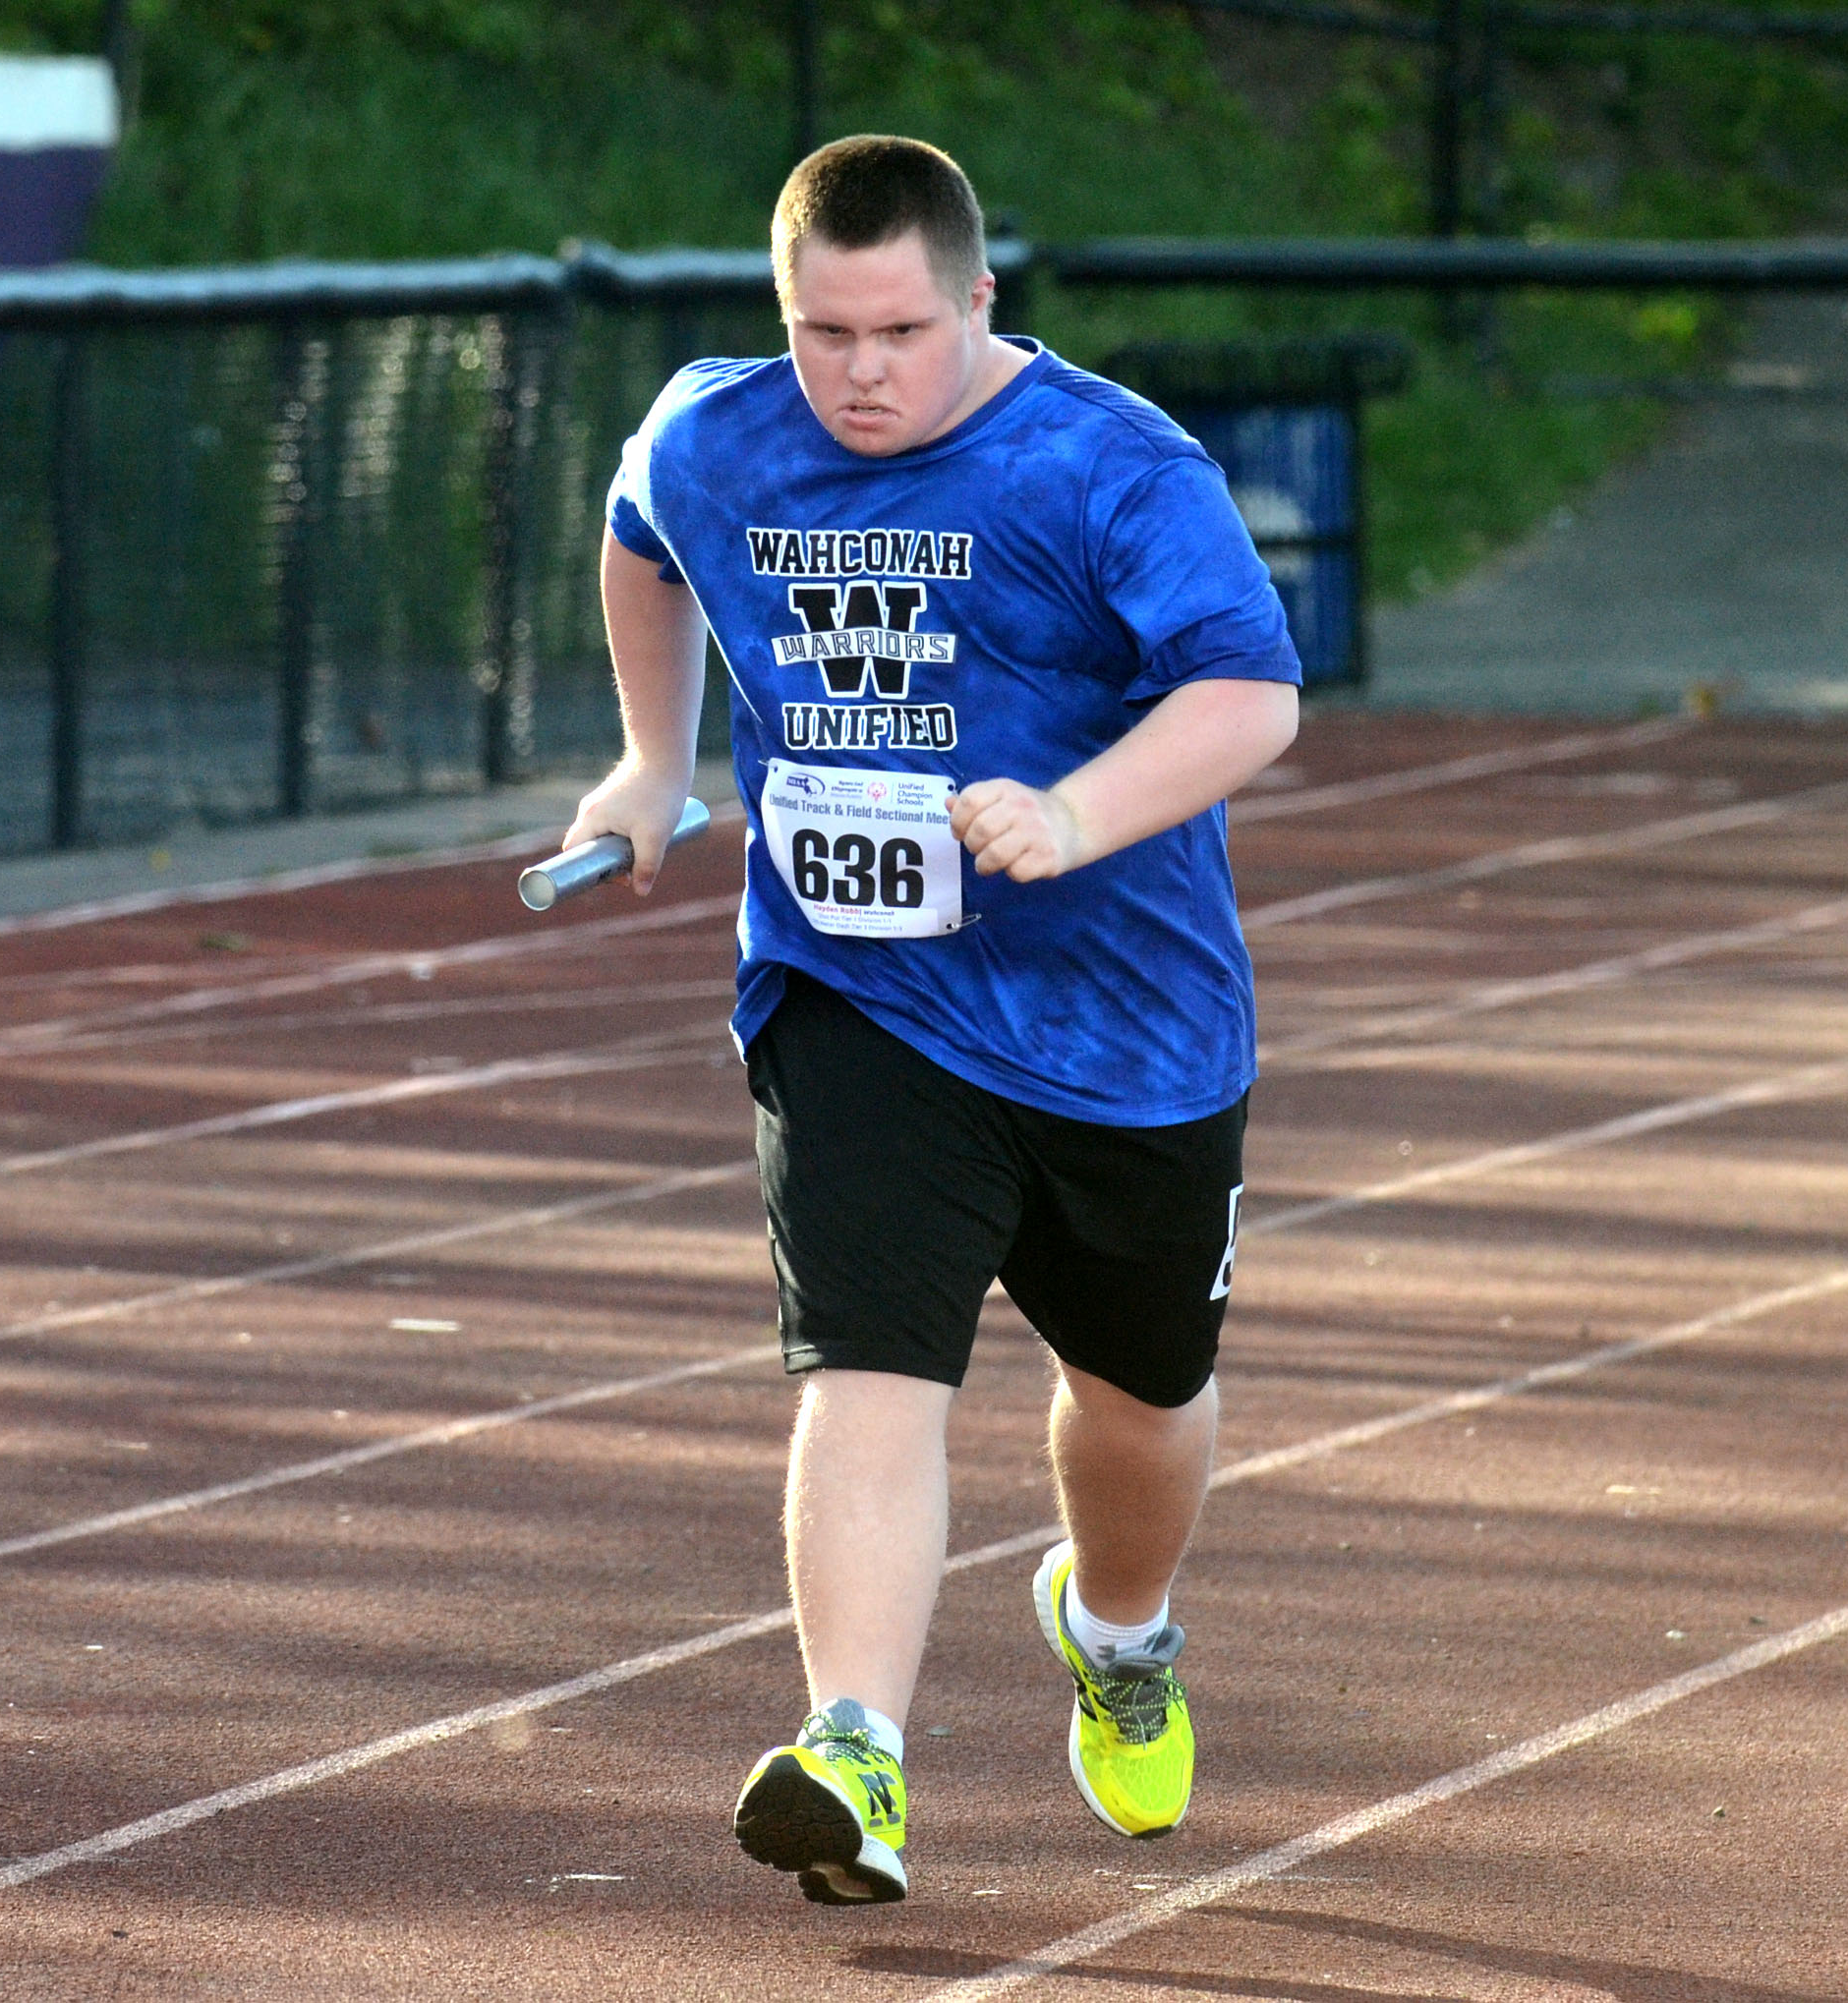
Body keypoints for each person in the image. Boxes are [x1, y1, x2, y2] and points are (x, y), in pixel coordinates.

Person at [572, 134, 1300, 1906]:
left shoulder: (1109, 461)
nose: (861, 372)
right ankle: (854, 1747)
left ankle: (1115, 1625)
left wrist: (1070, 817)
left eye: (898, 329)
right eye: (824, 332)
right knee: (869, 1366)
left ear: (979, 300)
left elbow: (1251, 690)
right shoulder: (716, 433)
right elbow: (640, 540)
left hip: (1125, 1026)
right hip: (858, 988)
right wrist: (653, 762)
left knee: (1140, 1402)